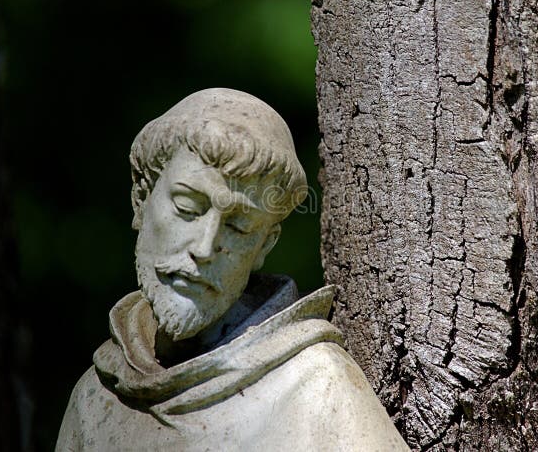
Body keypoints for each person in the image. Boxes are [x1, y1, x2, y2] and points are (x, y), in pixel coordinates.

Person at [56, 88, 409, 451]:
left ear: (264, 246)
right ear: (141, 200)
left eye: (239, 227)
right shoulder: (95, 399)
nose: (204, 248)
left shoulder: (318, 392)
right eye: (187, 207)